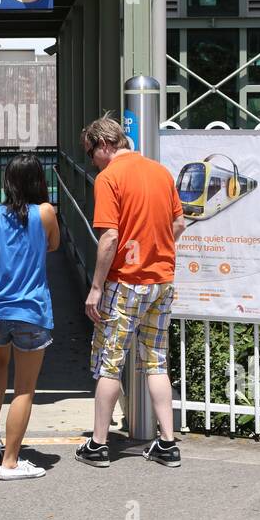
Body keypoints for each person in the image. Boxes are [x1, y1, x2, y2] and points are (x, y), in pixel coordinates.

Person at [75, 115, 186, 468]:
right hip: (161, 281)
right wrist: (157, 248)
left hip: (125, 284)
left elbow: (109, 237)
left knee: (110, 363)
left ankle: (98, 444)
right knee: (156, 361)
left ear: (104, 145)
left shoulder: (109, 178)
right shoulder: (160, 172)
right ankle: (167, 444)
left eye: (91, 153)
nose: (91, 161)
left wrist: (95, 287)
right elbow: (179, 222)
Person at [0, 153, 60, 481]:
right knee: (25, 389)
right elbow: (54, 244)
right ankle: (11, 462)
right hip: (30, 310)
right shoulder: (46, 213)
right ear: (38, 181)